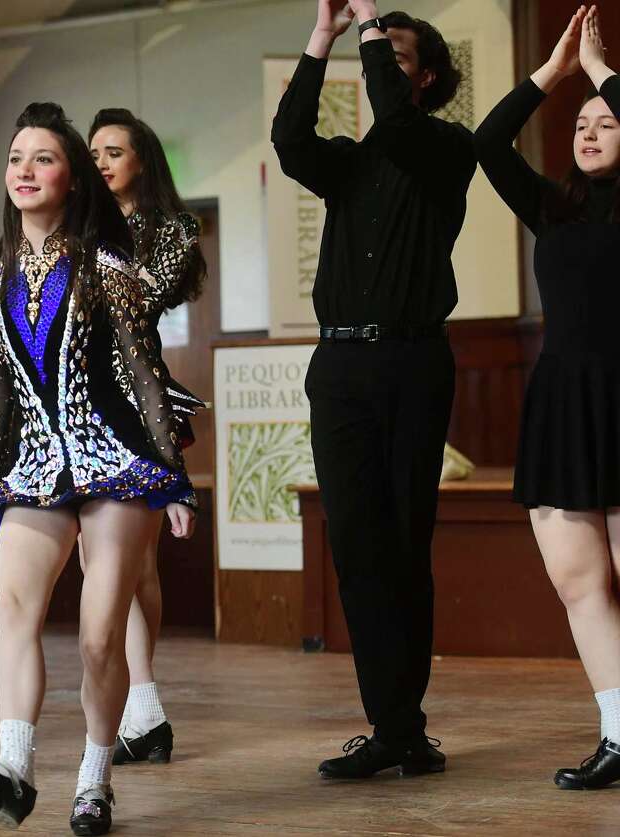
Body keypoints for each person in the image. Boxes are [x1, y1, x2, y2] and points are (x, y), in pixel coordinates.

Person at [0, 103, 195, 835]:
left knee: (99, 637)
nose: (24, 171)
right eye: (16, 158)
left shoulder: (110, 269)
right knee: (11, 608)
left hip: (116, 465)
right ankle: (14, 770)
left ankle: (95, 776)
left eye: (42, 159)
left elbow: (144, 377)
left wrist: (172, 475)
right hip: (37, 466)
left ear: (72, 179)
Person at [272, 0, 474, 778]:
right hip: (342, 369)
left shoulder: (445, 148)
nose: (380, 59)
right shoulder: (347, 164)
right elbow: (289, 139)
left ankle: (405, 725)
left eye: (395, 52)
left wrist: (368, 26)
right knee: (355, 543)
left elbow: (394, 115)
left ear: (423, 76)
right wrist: (323, 33)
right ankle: (392, 726)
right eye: (376, 47)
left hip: (414, 363)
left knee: (401, 542)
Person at [476, 5, 620, 790]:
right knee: (578, 582)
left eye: (606, 120)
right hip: (564, 401)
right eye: (580, 125)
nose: (589, 130)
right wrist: (554, 73)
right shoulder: (552, 207)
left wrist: (602, 73)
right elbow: (486, 142)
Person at [88, 106, 207, 765]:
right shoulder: (77, 229)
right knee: (96, 564)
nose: (101, 162)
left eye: (115, 152)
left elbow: (144, 294)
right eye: (94, 152)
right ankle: (140, 711)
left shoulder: (171, 228)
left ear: (141, 162)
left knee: (135, 563)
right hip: (77, 405)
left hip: (138, 400)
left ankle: (144, 702)